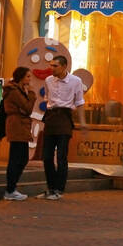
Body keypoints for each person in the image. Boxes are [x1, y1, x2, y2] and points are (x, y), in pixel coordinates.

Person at [41, 55, 86, 200]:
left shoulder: (75, 81)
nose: (52, 68)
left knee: (61, 155)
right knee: (47, 156)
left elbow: (79, 102)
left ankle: (59, 189)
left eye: (55, 66)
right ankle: (51, 187)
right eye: (51, 65)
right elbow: (47, 98)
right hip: (51, 117)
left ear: (64, 66)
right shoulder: (48, 80)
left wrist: (82, 122)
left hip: (65, 117)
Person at [2, 67, 36, 200]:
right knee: (17, 158)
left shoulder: (18, 90)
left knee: (21, 157)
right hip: (17, 125)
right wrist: (32, 93)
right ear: (21, 77)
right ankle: (10, 189)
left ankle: (12, 187)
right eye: (28, 76)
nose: (30, 79)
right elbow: (27, 108)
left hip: (20, 125)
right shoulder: (15, 91)